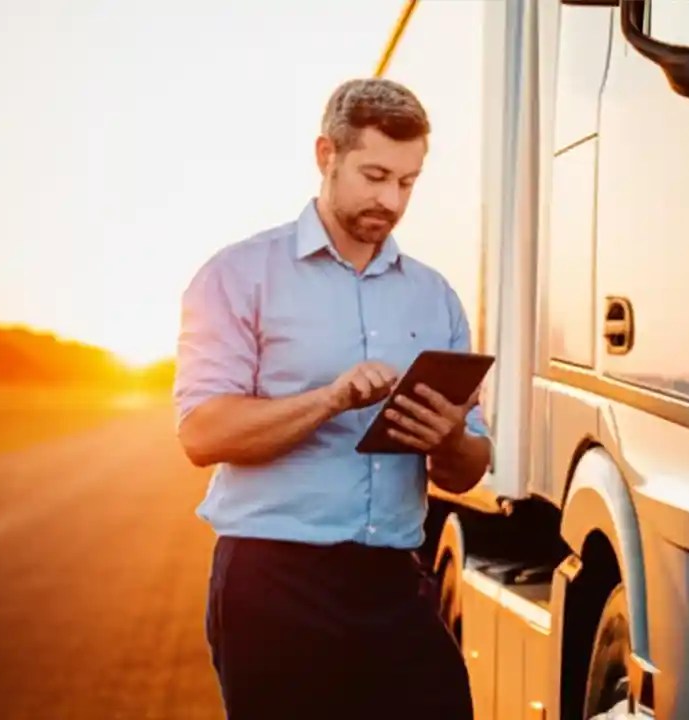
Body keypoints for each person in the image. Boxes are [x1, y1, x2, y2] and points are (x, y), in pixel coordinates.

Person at [172, 77, 490, 719]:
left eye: (407, 182)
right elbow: (203, 435)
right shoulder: (238, 275)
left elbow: (469, 467)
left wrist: (450, 437)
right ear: (326, 155)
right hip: (271, 583)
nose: (390, 199)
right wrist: (330, 399)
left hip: (396, 583)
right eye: (374, 175)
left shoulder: (435, 296)